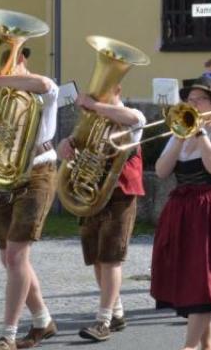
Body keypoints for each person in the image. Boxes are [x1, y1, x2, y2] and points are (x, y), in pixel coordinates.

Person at [0, 47, 60, 350]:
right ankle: (43, 321)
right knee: (8, 257)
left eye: (3, 64)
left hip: (38, 171)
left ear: (20, 59)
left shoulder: (41, 88)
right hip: (4, 175)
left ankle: (7, 333)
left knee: (17, 256)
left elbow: (44, 85)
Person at [150, 78, 211, 350]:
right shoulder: (179, 134)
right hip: (184, 209)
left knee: (206, 279)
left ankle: (189, 346)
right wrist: (181, 137)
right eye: (189, 101)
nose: (191, 105)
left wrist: (201, 134)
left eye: (198, 101)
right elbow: (161, 171)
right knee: (191, 277)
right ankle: (207, 346)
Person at [57, 84, 147, 342]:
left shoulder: (132, 115)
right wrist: (65, 144)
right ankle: (116, 312)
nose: (95, 97)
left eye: (102, 91)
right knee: (96, 257)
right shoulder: (91, 120)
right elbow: (74, 143)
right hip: (91, 193)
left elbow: (135, 119)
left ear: (118, 89)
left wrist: (94, 106)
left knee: (110, 258)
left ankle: (104, 320)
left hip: (120, 193)